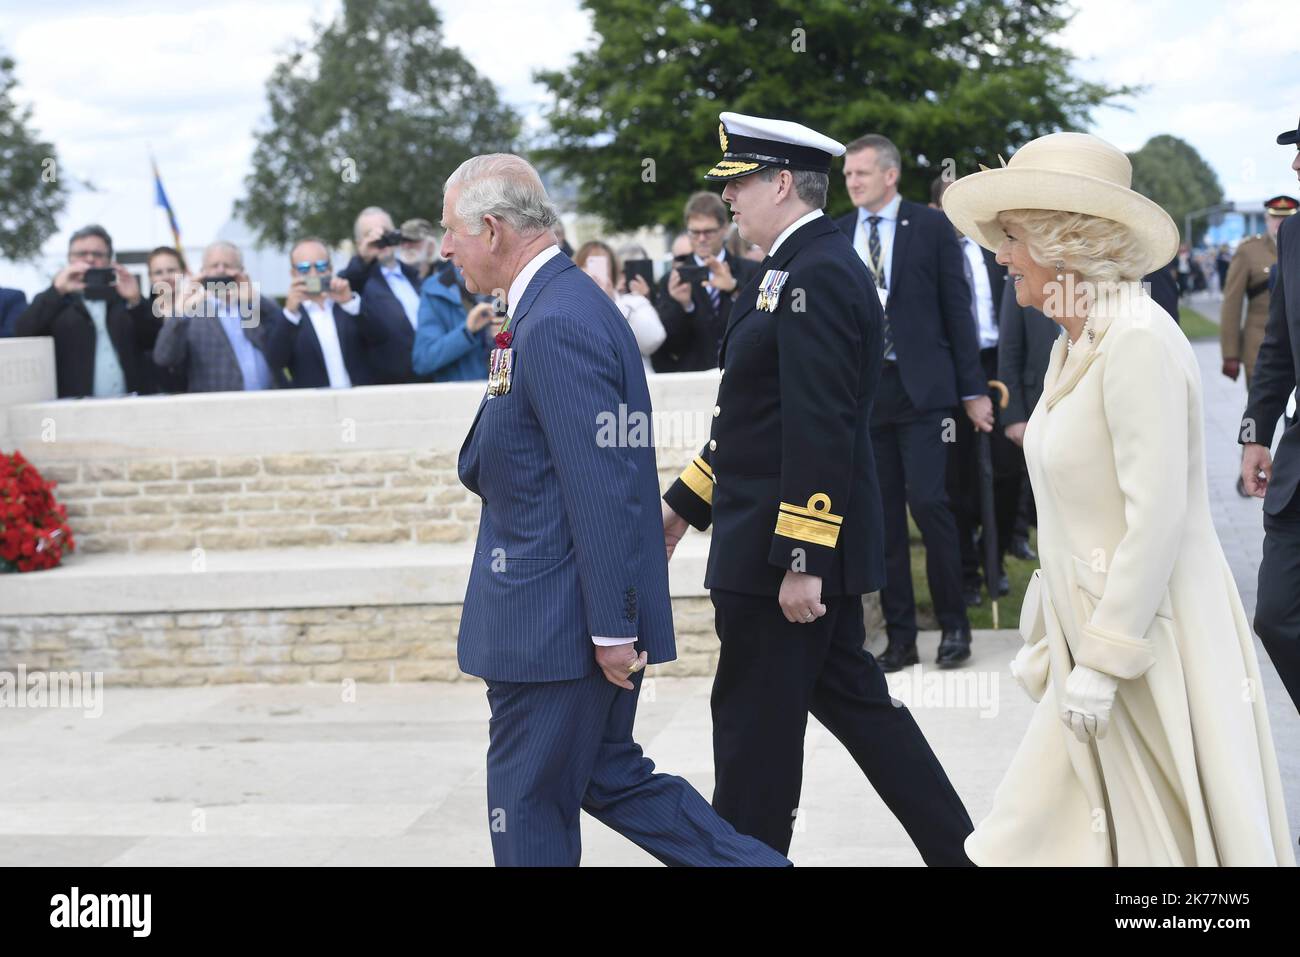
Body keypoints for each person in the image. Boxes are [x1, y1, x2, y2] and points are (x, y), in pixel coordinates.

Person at [942, 130, 1293, 865]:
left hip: (1150, 648)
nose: (1002, 257)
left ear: (1061, 244)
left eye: (1012, 239)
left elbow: (1155, 518)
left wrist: (1103, 664)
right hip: (1098, 644)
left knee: (1151, 851)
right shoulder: (1079, 341)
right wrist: (1055, 634)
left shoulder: (1137, 339)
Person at [445, 152, 787, 868]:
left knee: (528, 811)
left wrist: (610, 626)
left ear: (492, 227)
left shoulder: (558, 317)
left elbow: (600, 486)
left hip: (554, 629)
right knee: (614, 777)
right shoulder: (549, 304)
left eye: (453, 232)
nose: (446, 248)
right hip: (562, 621)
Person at [662, 112, 974, 863]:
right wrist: (683, 504)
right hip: (770, 545)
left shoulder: (821, 272)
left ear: (779, 183)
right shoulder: (784, 268)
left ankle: (750, 857)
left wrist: (803, 557)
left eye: (738, 184)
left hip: (781, 561)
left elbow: (822, 424)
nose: (728, 200)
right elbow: (750, 420)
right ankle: (965, 852)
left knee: (752, 739)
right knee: (863, 715)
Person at [835, 134, 993, 671]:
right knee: (880, 520)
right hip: (866, 395)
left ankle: (955, 627)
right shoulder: (837, 234)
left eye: (861, 172)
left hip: (924, 393)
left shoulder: (929, 228)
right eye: (848, 174)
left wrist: (972, 390)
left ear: (890, 175)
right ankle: (901, 639)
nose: (851, 181)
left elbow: (959, 312)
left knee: (929, 504)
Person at [933, 175, 1020, 608]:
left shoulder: (994, 253)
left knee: (1006, 471)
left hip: (995, 364)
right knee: (956, 479)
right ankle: (966, 571)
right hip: (950, 374)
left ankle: (996, 556)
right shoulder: (932, 256)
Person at [1241, 116, 1300, 715]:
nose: (1296, 165)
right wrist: (1255, 433)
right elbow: (1279, 345)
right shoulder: (1294, 236)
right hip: (1298, 462)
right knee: (1277, 616)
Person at [14, 224, 154, 398]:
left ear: (110, 260)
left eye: (98, 254)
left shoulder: (125, 298)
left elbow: (153, 340)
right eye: (81, 254)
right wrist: (56, 290)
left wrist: (136, 301)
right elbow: (23, 331)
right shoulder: (56, 300)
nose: (90, 259)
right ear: (69, 259)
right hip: (75, 407)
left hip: (130, 404)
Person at [152, 241, 284, 393]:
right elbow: (164, 357)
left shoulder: (257, 305)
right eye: (214, 266)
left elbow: (285, 334)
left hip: (268, 403)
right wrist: (181, 312)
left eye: (228, 265)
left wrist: (255, 300)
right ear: (202, 272)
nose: (221, 270)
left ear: (241, 271)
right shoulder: (193, 312)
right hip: (217, 409)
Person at [651, 191, 759, 372]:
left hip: (743, 377)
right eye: (695, 232)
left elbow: (762, 327)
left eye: (708, 232)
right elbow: (669, 346)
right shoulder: (672, 279)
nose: (701, 239)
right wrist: (684, 306)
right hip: (693, 384)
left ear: (724, 228)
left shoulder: (752, 271)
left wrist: (734, 289)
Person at [264, 237, 376, 389]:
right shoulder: (286, 317)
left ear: (330, 269)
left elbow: (379, 339)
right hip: (315, 405)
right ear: (293, 273)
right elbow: (276, 361)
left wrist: (349, 303)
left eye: (321, 266)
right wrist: (290, 313)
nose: (313, 273)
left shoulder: (348, 304)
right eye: (304, 268)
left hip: (358, 399)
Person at [338, 206, 426, 384]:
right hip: (388, 388)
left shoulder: (415, 275)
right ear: (359, 244)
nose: (380, 239)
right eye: (369, 234)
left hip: (430, 379)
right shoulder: (359, 281)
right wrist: (364, 258)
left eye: (385, 232)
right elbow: (347, 283)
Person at [1222, 196, 1296, 389]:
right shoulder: (1249, 251)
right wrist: (1231, 354)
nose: (1280, 223)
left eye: (1287, 217)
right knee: (1262, 410)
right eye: (1276, 218)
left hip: (1296, 345)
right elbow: (1232, 304)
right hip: (1260, 346)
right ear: (1266, 219)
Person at [575, 240, 665, 373]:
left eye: (601, 266)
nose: (594, 274)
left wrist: (612, 304)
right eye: (589, 266)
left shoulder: (633, 302)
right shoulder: (569, 308)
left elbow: (654, 339)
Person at [410, 258, 494, 382]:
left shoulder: (509, 280)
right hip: (462, 396)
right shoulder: (435, 289)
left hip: (508, 393)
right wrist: (467, 331)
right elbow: (423, 360)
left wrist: (509, 335)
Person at [126, 246, 189, 394]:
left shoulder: (200, 310)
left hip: (193, 392)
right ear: (150, 278)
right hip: (154, 395)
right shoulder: (139, 313)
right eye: (158, 272)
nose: (166, 277)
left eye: (172, 270)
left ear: (183, 272)